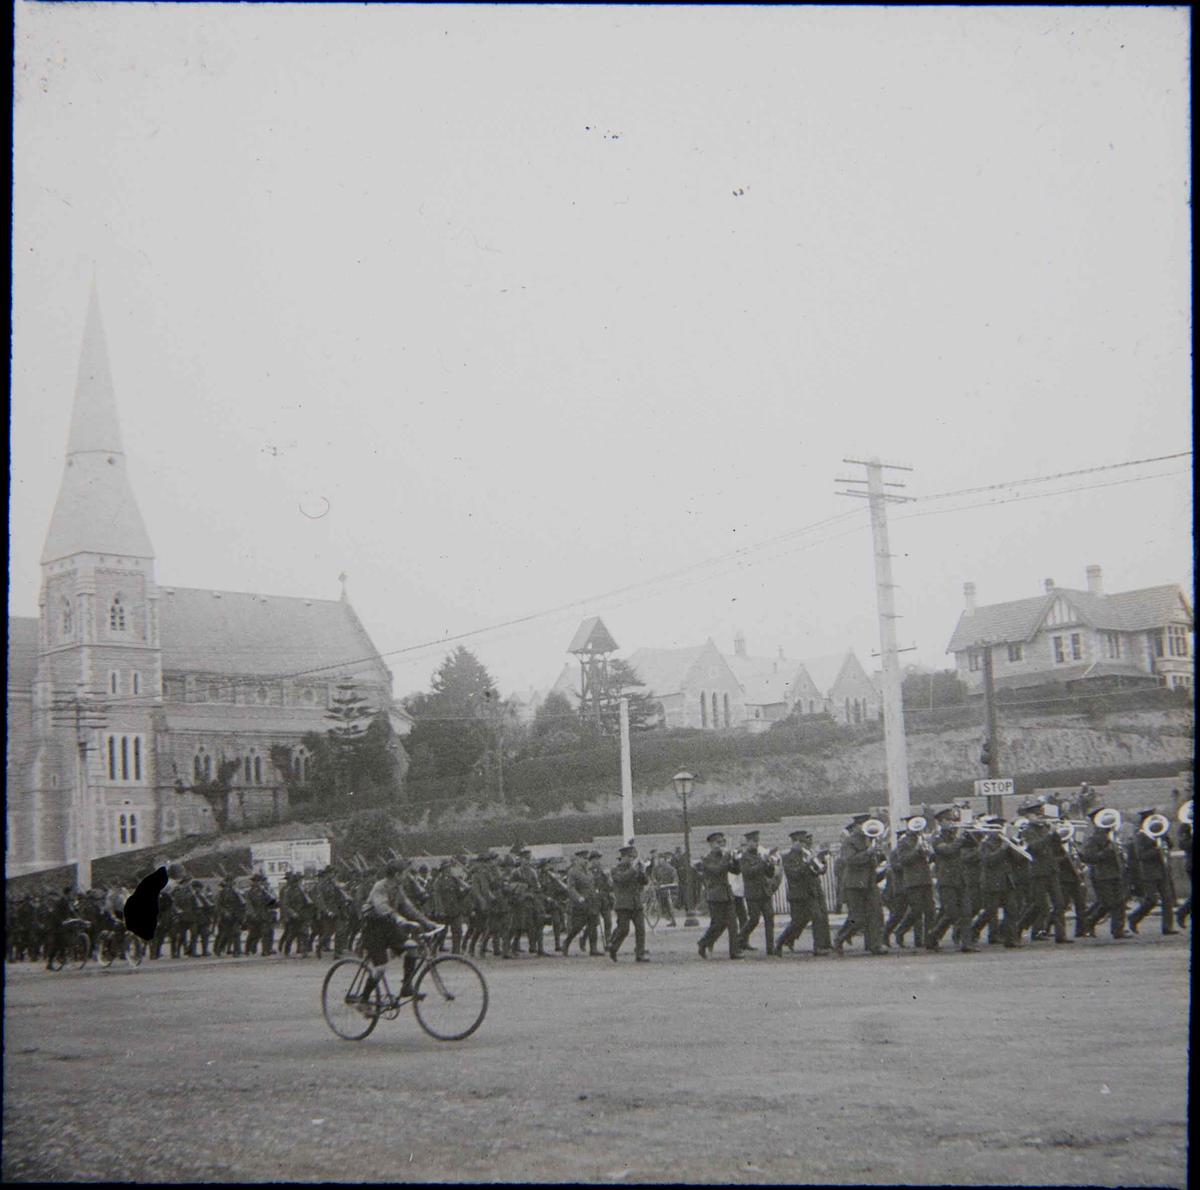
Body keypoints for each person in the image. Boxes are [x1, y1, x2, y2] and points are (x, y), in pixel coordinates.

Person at [359, 861, 441, 1001]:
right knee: (380, 968)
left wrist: (427, 922)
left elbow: (408, 908)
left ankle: (406, 987)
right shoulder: (380, 886)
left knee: (412, 947)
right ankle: (364, 998)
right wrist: (398, 918)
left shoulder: (398, 888)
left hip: (389, 926)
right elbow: (381, 907)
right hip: (374, 928)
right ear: (397, 875)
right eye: (404, 873)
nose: (406, 875)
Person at [833, 815, 887, 955]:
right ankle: (839, 938)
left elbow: (873, 862)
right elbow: (850, 860)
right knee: (856, 917)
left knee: (876, 914)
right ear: (857, 826)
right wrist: (867, 853)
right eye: (864, 824)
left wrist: (879, 854)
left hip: (869, 882)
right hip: (855, 883)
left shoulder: (870, 839)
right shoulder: (850, 842)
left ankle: (875, 945)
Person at [926, 809, 978, 953]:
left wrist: (970, 831)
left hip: (960, 878)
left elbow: (974, 845)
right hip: (946, 880)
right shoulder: (937, 837)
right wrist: (960, 839)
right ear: (941, 822)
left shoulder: (954, 836)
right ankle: (933, 936)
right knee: (951, 913)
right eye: (948, 821)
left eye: (953, 821)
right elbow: (947, 851)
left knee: (967, 912)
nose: (952, 823)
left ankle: (967, 944)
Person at [774, 830, 832, 955]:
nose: (803, 845)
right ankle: (780, 941)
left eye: (804, 842)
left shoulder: (807, 855)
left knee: (817, 917)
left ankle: (818, 948)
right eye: (801, 842)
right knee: (797, 922)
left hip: (810, 892)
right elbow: (794, 874)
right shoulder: (787, 857)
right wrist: (807, 862)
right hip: (798, 895)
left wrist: (822, 861)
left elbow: (818, 872)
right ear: (794, 842)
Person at [1021, 811, 1071, 944]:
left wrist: (1057, 834)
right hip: (1038, 872)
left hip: (1051, 870)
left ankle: (1061, 936)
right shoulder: (1027, 831)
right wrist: (1049, 834)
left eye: (1040, 815)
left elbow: (1056, 847)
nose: (1039, 817)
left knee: (1059, 903)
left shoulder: (1045, 829)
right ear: (1029, 817)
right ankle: (1020, 928)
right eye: (1036, 815)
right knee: (1039, 905)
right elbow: (1035, 847)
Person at [1127, 810, 1179, 936]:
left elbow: (1170, 846)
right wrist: (1157, 849)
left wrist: (1165, 837)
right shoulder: (1141, 835)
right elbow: (1141, 856)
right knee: (1151, 900)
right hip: (1149, 872)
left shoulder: (1159, 833)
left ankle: (1167, 927)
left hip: (1162, 870)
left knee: (1167, 899)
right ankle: (1134, 918)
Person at [1078, 809, 1128, 939]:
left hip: (1115, 873)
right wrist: (1106, 852)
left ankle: (1118, 930)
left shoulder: (1112, 836)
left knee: (1119, 902)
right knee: (1107, 903)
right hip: (1101, 875)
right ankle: (1089, 923)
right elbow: (1087, 857)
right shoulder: (1094, 839)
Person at [971, 818, 1020, 948]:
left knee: (1012, 910)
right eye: (998, 829)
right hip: (991, 882)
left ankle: (1011, 939)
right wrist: (1003, 849)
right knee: (990, 912)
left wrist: (1013, 843)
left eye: (1002, 828)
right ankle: (973, 931)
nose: (1001, 831)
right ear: (991, 831)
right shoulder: (985, 844)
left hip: (1006, 881)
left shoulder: (1006, 842)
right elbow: (989, 861)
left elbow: (1019, 858)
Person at [696, 832, 743, 959]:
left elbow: (736, 871)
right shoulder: (707, 858)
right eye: (718, 843)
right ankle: (703, 942)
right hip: (715, 895)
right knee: (718, 924)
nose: (721, 845)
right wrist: (727, 857)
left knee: (733, 923)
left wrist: (735, 860)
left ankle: (734, 951)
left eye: (723, 842)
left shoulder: (724, 857)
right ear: (711, 844)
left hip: (726, 894)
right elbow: (716, 870)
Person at [895, 817, 937, 950]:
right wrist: (917, 850)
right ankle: (900, 931)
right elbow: (903, 860)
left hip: (925, 879)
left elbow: (930, 858)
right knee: (916, 911)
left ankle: (930, 941)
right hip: (913, 881)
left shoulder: (923, 839)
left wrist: (930, 850)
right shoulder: (903, 842)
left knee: (930, 911)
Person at [737, 831, 777, 954]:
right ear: (748, 842)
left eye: (757, 841)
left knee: (769, 919)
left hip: (764, 891)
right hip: (753, 893)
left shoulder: (760, 855)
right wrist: (763, 862)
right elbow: (748, 873)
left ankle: (770, 948)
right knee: (754, 919)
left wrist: (770, 865)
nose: (755, 844)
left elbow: (769, 874)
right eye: (753, 842)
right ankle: (738, 940)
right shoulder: (744, 857)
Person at [608, 844, 650, 962]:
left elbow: (644, 882)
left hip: (636, 904)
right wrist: (634, 869)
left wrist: (642, 871)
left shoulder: (635, 869)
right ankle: (613, 947)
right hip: (623, 905)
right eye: (629, 857)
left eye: (633, 857)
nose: (631, 859)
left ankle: (640, 953)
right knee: (624, 929)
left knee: (640, 929)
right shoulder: (615, 870)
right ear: (623, 857)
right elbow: (622, 879)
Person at [563, 850, 602, 956]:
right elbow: (571, 888)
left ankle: (593, 948)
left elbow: (592, 886)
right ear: (578, 859)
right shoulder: (573, 871)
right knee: (578, 926)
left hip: (591, 902)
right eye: (583, 859)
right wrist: (578, 898)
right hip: (580, 903)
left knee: (593, 925)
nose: (585, 861)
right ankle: (566, 942)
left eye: (586, 859)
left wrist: (596, 893)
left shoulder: (589, 872)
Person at [650, 850, 679, 927]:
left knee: (670, 903)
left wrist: (674, 882)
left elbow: (675, 877)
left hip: (670, 888)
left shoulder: (671, 869)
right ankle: (667, 915)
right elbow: (653, 877)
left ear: (665, 860)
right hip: (660, 888)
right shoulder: (656, 868)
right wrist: (655, 882)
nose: (660, 861)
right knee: (662, 902)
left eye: (661, 859)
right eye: (659, 859)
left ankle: (672, 918)